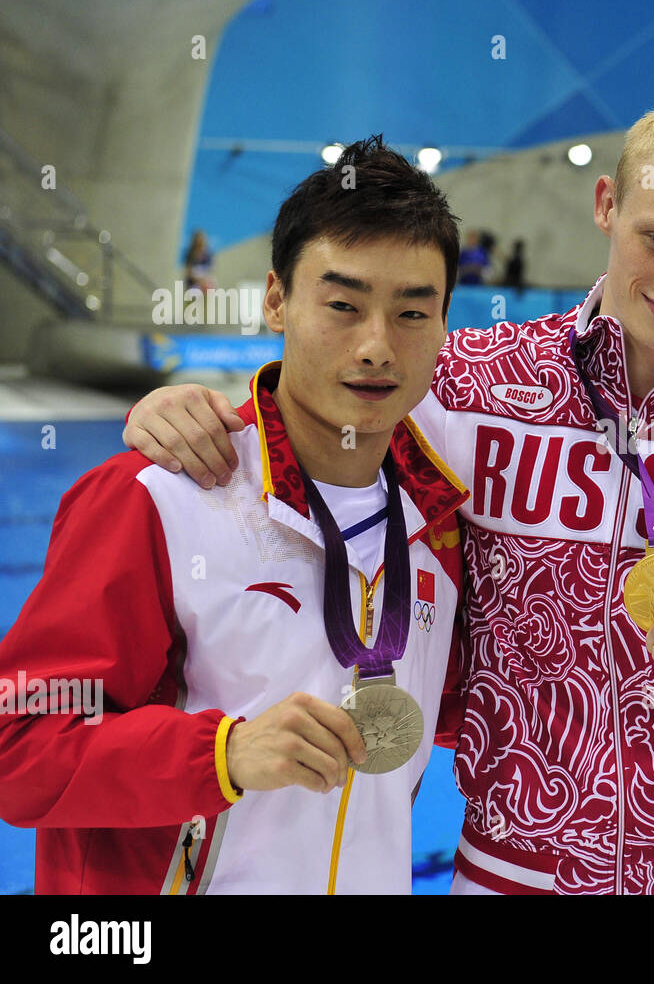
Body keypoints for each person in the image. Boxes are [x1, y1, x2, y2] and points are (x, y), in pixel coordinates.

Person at [122, 103, 654, 895]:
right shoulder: (470, 383)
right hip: (508, 873)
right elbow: (323, 407)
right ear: (607, 205)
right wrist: (196, 411)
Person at [0, 137, 469, 893]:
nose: (379, 346)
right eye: (343, 305)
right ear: (276, 299)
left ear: (446, 322)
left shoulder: (442, 521)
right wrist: (222, 757)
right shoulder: (156, 497)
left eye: (413, 312)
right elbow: (18, 749)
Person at [183, 229, 215, 293]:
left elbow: (211, 269)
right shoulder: (190, 254)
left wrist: (205, 281)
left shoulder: (208, 254)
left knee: (212, 285)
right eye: (198, 239)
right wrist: (199, 280)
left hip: (205, 283)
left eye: (202, 239)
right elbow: (188, 272)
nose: (200, 241)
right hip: (192, 285)